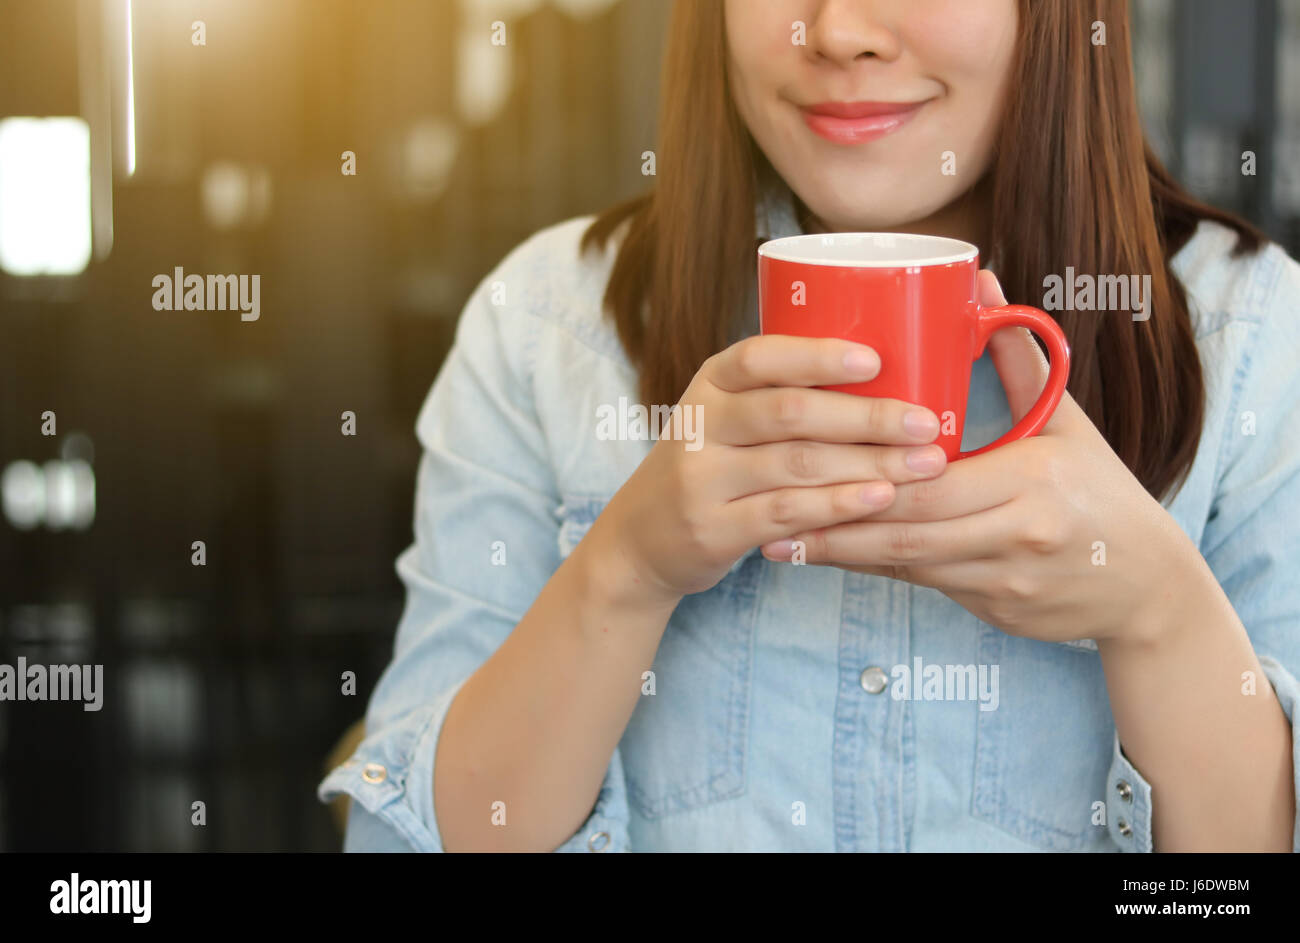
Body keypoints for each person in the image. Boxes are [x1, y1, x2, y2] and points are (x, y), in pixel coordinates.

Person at [318, 0, 1299, 852]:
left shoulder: (1251, 336)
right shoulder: (544, 326)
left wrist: (1158, 615)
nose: (838, 32)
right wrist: (627, 568)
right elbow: (408, 842)